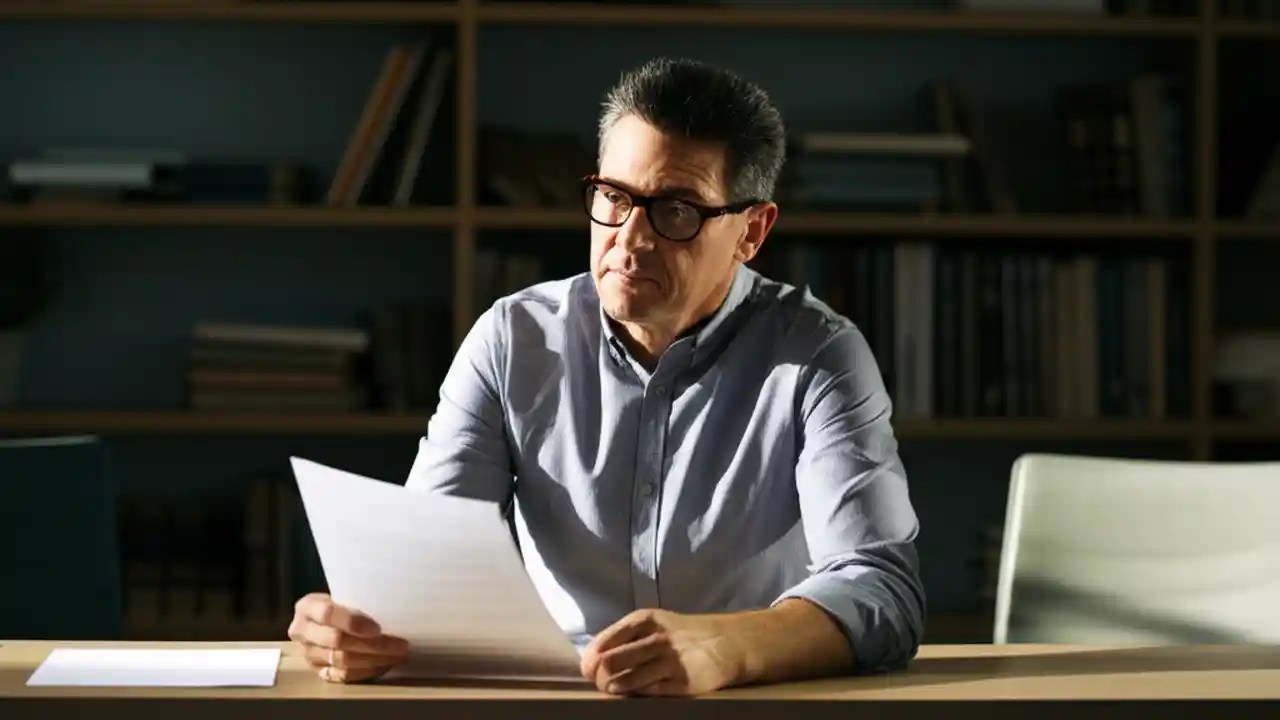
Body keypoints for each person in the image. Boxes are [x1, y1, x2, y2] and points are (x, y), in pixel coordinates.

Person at [289, 56, 925, 697]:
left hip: (740, 698)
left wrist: (726, 647)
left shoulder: (818, 354)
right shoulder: (513, 341)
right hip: (559, 698)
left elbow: (884, 589)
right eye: (614, 198)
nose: (630, 239)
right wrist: (359, 629)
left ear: (751, 232)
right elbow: (425, 571)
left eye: (676, 211)